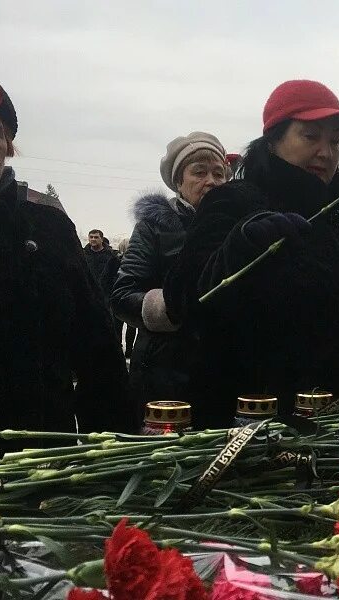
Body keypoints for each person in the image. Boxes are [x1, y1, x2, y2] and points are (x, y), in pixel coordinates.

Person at [163, 80, 339, 424]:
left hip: (333, 424)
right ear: (274, 139)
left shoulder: (333, 215)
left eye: (334, 141)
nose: (326, 151)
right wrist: (238, 246)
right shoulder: (232, 201)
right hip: (252, 428)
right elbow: (183, 300)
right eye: (311, 136)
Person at [0, 73, 131, 466]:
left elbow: (97, 350)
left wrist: (110, 453)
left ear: (8, 146)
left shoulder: (47, 224)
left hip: (40, 462)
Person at [112, 132, 227, 419]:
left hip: (223, 369)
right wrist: (172, 307)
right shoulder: (155, 227)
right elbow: (123, 294)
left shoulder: (236, 227)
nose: (211, 181)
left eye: (219, 173)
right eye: (199, 172)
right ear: (178, 182)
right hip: (165, 373)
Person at [83, 228, 120, 306]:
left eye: (96, 237)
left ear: (102, 239)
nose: (93, 239)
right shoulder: (83, 255)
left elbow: (116, 275)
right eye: (91, 237)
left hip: (106, 296)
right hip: (88, 294)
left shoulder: (112, 256)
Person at [116, 237, 137, 358]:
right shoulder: (138, 261)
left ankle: (119, 349)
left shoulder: (114, 260)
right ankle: (129, 350)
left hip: (118, 298)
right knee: (131, 326)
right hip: (132, 298)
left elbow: (105, 279)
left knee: (117, 326)